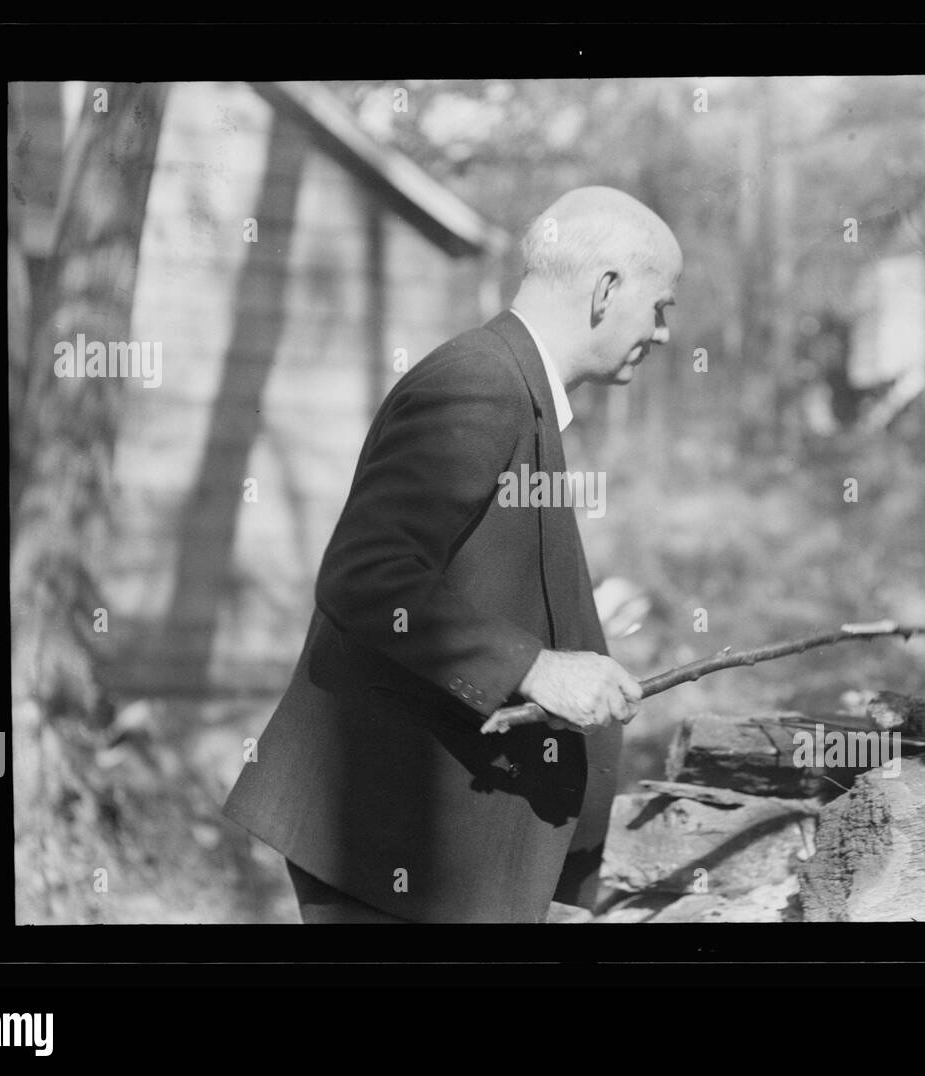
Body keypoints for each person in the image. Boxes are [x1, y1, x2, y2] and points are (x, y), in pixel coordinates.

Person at [222, 186, 683, 923]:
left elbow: (459, 577)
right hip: (390, 849)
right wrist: (536, 667)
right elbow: (368, 576)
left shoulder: (518, 390)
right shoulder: (481, 384)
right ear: (605, 290)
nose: (662, 333)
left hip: (437, 855)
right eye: (661, 305)